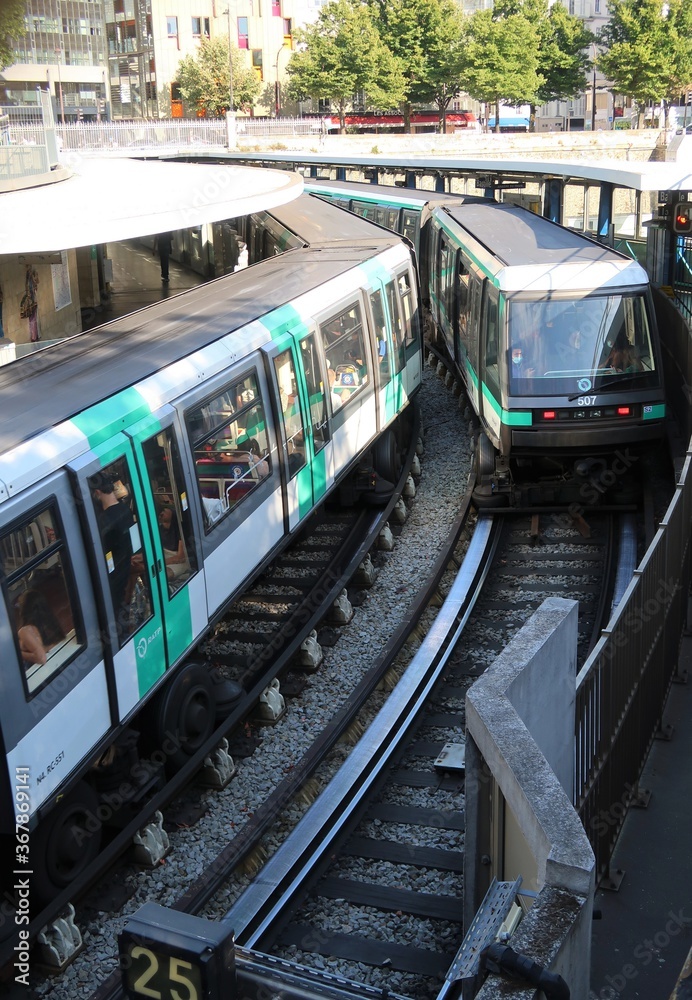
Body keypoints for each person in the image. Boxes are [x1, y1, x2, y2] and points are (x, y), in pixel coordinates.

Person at [90, 471, 135, 628]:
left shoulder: (104, 520)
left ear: (97, 493)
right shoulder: (125, 510)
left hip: (113, 571)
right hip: (126, 565)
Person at [16, 589, 65, 667]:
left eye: (20, 605)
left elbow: (41, 658)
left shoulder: (25, 631)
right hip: (60, 660)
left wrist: (17, 654)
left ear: (24, 609)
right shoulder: (50, 621)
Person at [158, 506, 188, 580]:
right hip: (163, 552)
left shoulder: (180, 522)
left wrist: (159, 564)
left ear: (162, 514)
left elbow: (181, 557)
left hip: (181, 558)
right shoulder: (160, 523)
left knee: (163, 575)